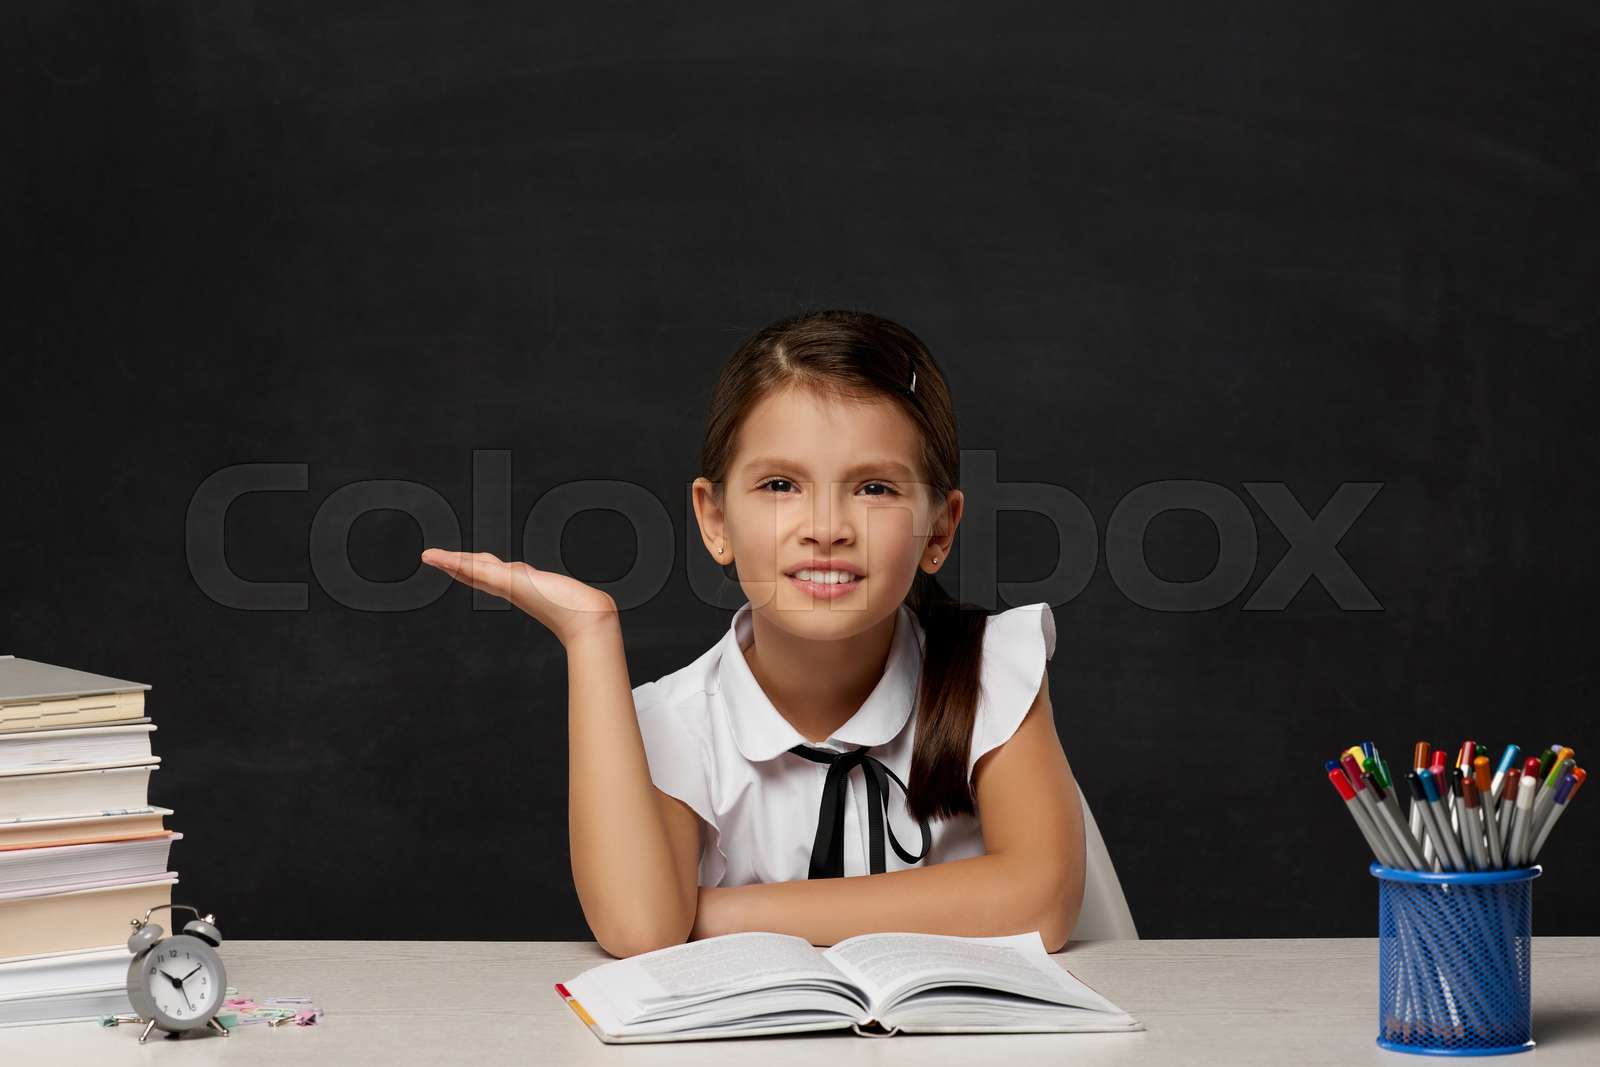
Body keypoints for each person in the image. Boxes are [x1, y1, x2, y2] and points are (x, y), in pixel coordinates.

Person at [421, 309, 1085, 958]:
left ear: (938, 530)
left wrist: (715, 912)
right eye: (779, 484)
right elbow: (640, 928)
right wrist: (589, 636)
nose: (826, 527)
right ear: (715, 521)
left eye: (875, 487)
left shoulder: (988, 665)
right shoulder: (675, 721)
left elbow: (1042, 897)